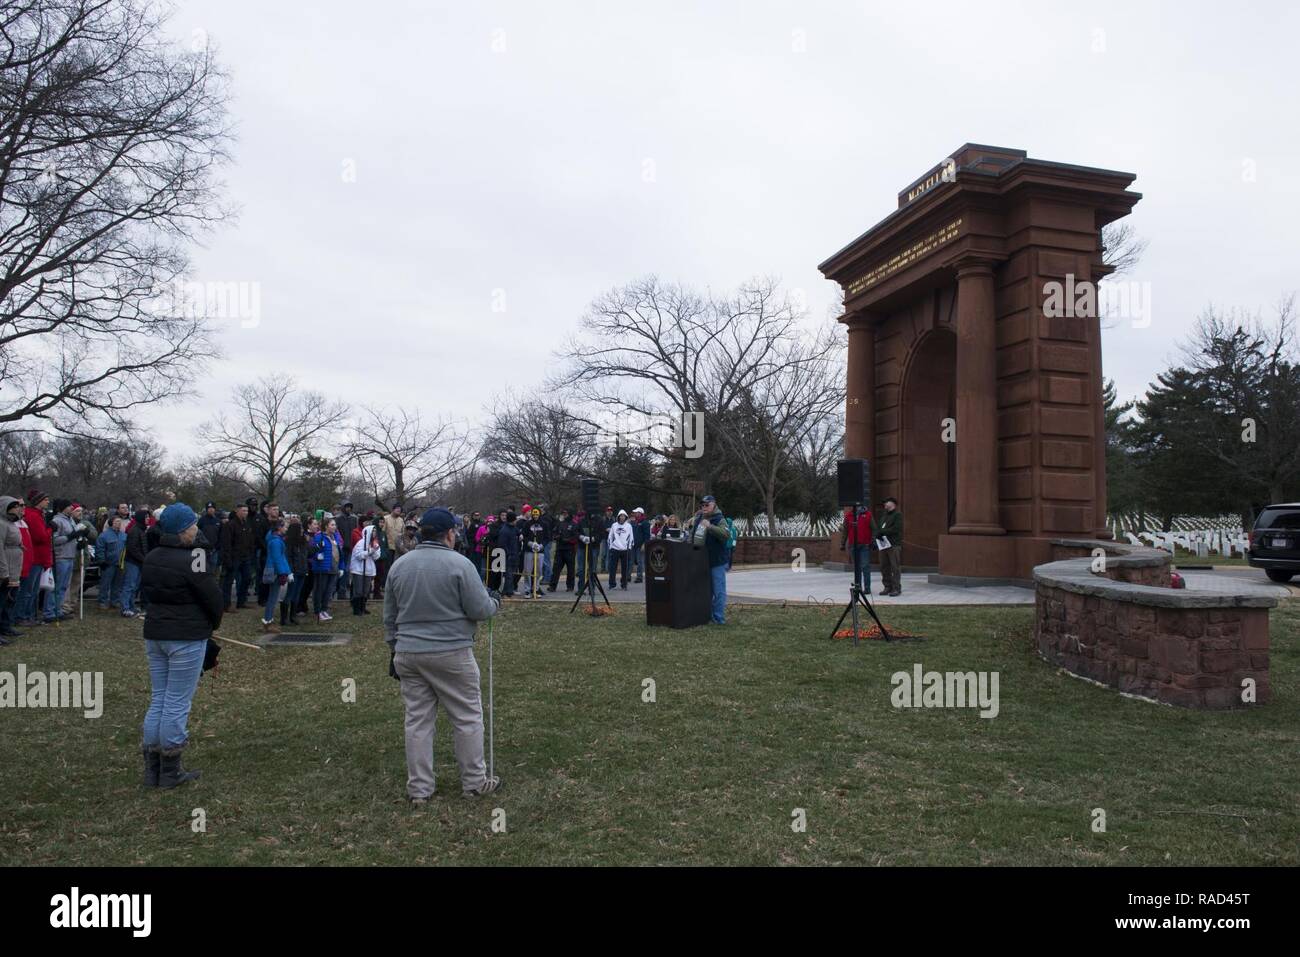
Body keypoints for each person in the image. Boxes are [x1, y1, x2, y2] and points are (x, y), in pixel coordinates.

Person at [384, 507, 502, 803]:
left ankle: (419, 789)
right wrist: (494, 603)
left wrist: (393, 648)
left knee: (417, 721)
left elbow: (389, 615)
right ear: (450, 534)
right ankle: (474, 782)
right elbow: (480, 609)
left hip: (408, 652)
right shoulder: (460, 564)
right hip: (451, 652)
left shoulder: (399, 566)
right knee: (467, 717)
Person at [139, 503, 223, 789]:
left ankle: (153, 770)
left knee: (160, 698)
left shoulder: (152, 557)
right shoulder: (194, 558)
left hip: (156, 632)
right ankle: (170, 770)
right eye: (192, 526)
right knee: (176, 701)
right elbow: (212, 597)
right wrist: (211, 624)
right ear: (183, 530)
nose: (196, 529)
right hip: (185, 636)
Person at [689, 495, 731, 624]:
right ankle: (707, 616)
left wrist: (710, 527)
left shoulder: (720, 519)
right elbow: (693, 536)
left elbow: (726, 535)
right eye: (702, 505)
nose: (704, 507)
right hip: (702, 561)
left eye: (707, 505)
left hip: (717, 561)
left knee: (718, 591)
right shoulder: (698, 518)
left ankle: (718, 618)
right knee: (706, 591)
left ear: (714, 505)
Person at [15, 490, 52, 625]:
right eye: (46, 499)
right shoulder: (33, 516)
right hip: (34, 558)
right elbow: (40, 537)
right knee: (28, 590)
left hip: (40, 558)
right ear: (39, 501)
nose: (48, 502)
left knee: (34, 590)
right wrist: (50, 529)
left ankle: (30, 615)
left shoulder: (39, 515)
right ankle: (21, 616)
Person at [218, 503, 256, 611]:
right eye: (243, 511)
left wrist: (250, 552)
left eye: (247, 511)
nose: (245, 513)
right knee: (228, 581)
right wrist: (228, 560)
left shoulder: (247, 525)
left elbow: (250, 540)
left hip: (245, 557)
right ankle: (226, 604)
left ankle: (242, 602)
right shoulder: (230, 525)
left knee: (247, 578)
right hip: (234, 558)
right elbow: (226, 544)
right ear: (237, 511)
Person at [0, 496, 27, 642]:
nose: (19, 509)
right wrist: (3, 572)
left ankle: (5, 626)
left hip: (14, 567)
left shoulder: (11, 523)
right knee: (1, 600)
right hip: (6, 568)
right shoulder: (1, 524)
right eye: (15, 506)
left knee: (9, 600)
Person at [260, 517, 291, 633]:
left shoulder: (276, 540)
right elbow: (278, 559)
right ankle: (268, 621)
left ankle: (269, 620)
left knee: (273, 597)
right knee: (273, 598)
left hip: (276, 571)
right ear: (279, 528)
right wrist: (283, 572)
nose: (286, 529)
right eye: (285, 527)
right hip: (275, 572)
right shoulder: (276, 542)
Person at [310, 517, 343, 622]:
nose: (334, 527)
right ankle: (317, 611)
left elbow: (340, 552)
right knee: (320, 590)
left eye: (335, 525)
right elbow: (311, 552)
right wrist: (317, 555)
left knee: (329, 591)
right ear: (326, 526)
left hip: (334, 567)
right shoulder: (319, 537)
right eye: (332, 525)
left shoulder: (335, 537)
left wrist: (341, 567)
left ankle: (324, 609)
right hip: (322, 568)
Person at [120, 508, 151, 618]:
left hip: (139, 563)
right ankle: (125, 608)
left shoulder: (142, 530)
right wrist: (143, 559)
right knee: (129, 585)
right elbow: (132, 548)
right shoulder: (134, 530)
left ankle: (131, 606)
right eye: (146, 517)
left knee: (135, 586)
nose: (148, 519)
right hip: (132, 562)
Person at [349, 518, 381, 615]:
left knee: (366, 590)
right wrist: (370, 551)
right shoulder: (361, 543)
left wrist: (375, 550)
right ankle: (356, 608)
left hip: (368, 569)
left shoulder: (374, 543)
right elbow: (359, 556)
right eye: (373, 531)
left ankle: (363, 607)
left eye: (376, 531)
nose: (375, 533)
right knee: (358, 590)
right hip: (359, 569)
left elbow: (376, 557)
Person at [840, 502, 874, 596]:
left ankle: (867, 588)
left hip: (865, 545)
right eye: (856, 506)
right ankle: (858, 587)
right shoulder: (849, 516)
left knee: (865, 566)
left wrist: (873, 541)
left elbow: (874, 528)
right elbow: (845, 531)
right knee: (857, 568)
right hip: (853, 545)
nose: (857, 507)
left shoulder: (868, 515)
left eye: (859, 505)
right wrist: (842, 544)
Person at [95, 516, 128, 609]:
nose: (119, 523)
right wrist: (101, 561)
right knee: (105, 583)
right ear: (111, 523)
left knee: (117, 584)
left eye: (120, 522)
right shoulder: (104, 535)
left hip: (120, 563)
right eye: (117, 521)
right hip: (108, 564)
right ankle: (103, 601)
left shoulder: (124, 535)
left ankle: (115, 601)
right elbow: (99, 549)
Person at [873, 497, 903, 597]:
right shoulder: (884, 515)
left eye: (887, 502)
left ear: (893, 504)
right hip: (883, 545)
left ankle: (896, 588)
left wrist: (882, 532)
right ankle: (887, 586)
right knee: (884, 567)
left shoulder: (897, 515)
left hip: (894, 545)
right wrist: (877, 533)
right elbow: (879, 527)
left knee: (895, 567)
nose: (885, 504)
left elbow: (896, 529)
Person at [282, 517, 308, 627]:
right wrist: (290, 572)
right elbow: (289, 558)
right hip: (294, 572)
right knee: (290, 594)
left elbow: (306, 555)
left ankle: (293, 615)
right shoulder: (289, 543)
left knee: (297, 594)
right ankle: (284, 618)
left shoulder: (303, 543)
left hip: (302, 570)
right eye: (300, 529)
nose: (302, 531)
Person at [549, 508, 577, 592]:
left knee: (570, 569)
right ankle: (552, 586)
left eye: (566, 513)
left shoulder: (574, 524)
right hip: (560, 549)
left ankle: (570, 586)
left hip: (569, 549)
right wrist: (556, 537)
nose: (564, 515)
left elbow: (576, 536)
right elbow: (554, 533)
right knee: (556, 569)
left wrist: (569, 540)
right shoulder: (559, 523)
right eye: (563, 513)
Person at [607, 509, 634, 590]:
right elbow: (610, 537)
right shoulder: (614, 525)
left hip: (625, 550)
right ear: (618, 517)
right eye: (620, 516)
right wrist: (611, 547)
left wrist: (629, 547)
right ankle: (612, 584)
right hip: (615, 549)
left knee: (625, 569)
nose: (622, 517)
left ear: (625, 517)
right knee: (612, 568)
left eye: (623, 516)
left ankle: (624, 584)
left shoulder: (628, 526)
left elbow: (631, 537)